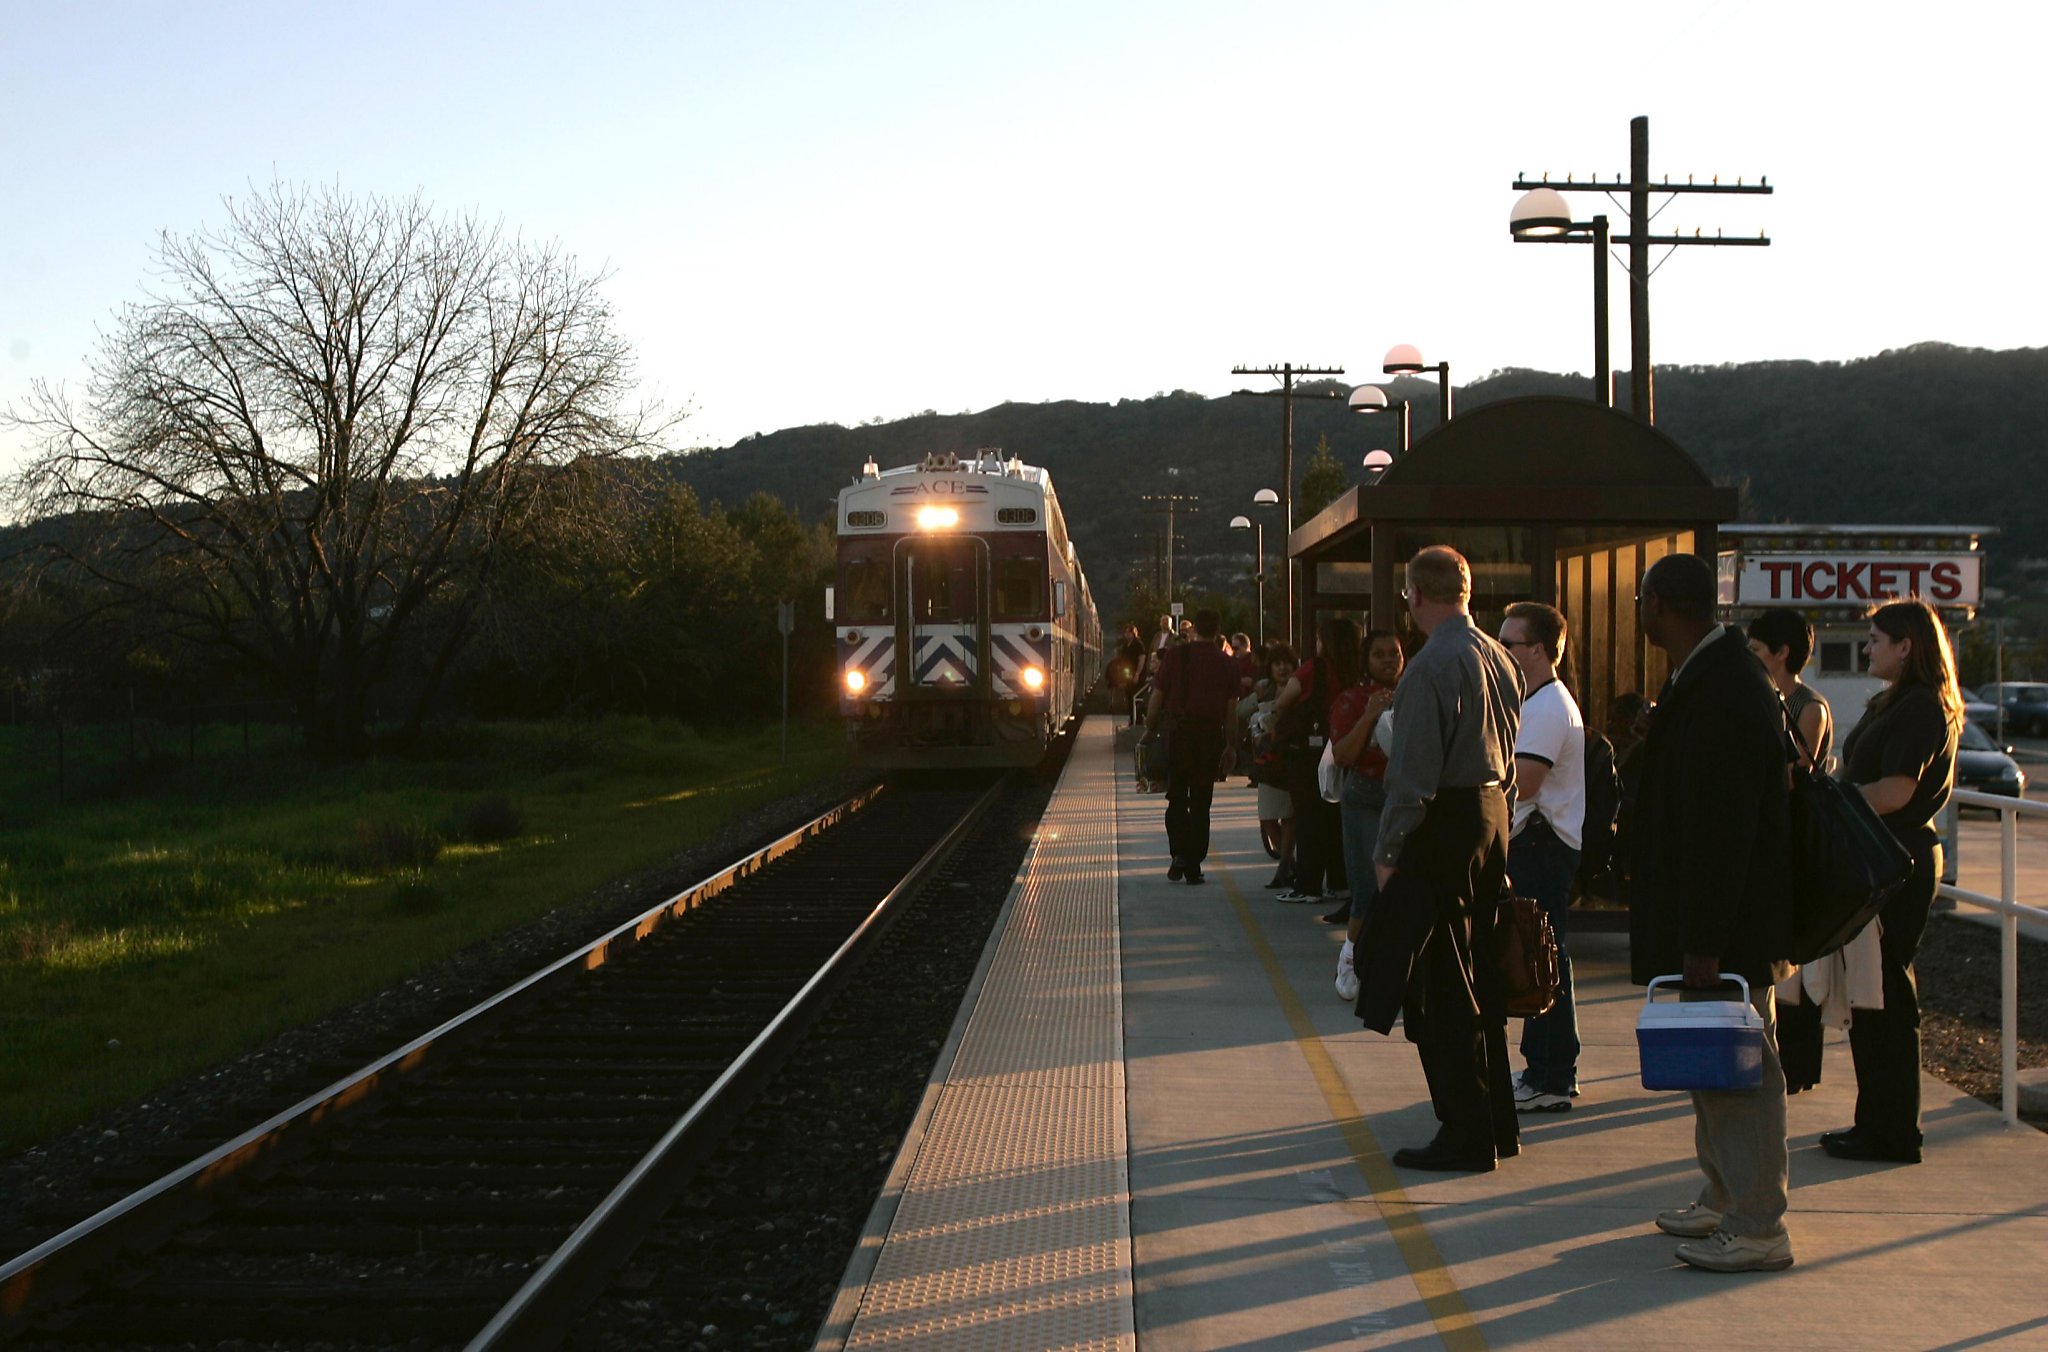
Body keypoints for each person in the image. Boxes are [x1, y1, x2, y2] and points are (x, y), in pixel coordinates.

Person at [1631, 552, 1796, 1273]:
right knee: (1710, 1059)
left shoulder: (1725, 686)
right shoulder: (1710, 674)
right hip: (1712, 919)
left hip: (1727, 925)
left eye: (1641, 598)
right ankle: (1726, 1194)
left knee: (1743, 1067)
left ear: (1659, 603)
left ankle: (1759, 1224)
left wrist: (1704, 940)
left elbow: (1722, 829)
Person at [1370, 546, 1523, 1172]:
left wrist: (1388, 851)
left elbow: (1412, 776)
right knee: (1482, 976)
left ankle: (1463, 1132)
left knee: (1439, 984)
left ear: (1414, 596)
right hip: (1492, 818)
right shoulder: (1499, 656)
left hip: (1443, 827)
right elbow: (1509, 751)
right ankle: (1498, 1122)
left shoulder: (1429, 668)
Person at [1820, 599, 1963, 1165]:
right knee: (1872, 995)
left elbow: (1897, 791)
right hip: (1881, 857)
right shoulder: (1897, 703)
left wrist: (1831, 801)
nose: (1868, 647)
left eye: (1877, 638)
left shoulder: (1921, 709)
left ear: (1907, 646)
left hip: (1896, 861)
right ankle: (1875, 1122)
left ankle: (1893, 1131)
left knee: (1887, 998)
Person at [1498, 602, 1588, 1114]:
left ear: (1537, 649)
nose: (1502, 648)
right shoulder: (1534, 701)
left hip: (1543, 847)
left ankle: (1551, 1075)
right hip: (1536, 846)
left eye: (1510, 642)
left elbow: (1524, 781)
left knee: (1540, 962)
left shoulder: (1550, 706)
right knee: (1546, 960)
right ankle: (1549, 1068)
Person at [1143, 608, 1241, 885]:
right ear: (1218, 629)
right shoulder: (1227, 663)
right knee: (1201, 801)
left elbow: (1156, 698)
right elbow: (1231, 713)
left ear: (1194, 628)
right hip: (1209, 737)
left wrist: (1150, 729)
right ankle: (1194, 863)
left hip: (1177, 734)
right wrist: (1230, 746)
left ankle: (1178, 854)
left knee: (1176, 797)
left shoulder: (1175, 656)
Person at [1332, 629, 1403, 998]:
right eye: (1380, 654)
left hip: (1406, 798)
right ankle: (1349, 959)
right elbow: (1343, 755)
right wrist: (1371, 715)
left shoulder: (1416, 694)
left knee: (1403, 886)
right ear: (1366, 660)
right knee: (1367, 885)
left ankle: (1394, 964)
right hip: (1365, 796)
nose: (1389, 660)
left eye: (1394, 653)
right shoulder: (1351, 700)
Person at [1269, 619, 1357, 907]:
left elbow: (1284, 701)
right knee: (1334, 817)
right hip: (1342, 746)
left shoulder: (1314, 668)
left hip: (1307, 753)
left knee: (1308, 817)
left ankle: (1308, 884)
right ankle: (1338, 881)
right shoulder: (1353, 669)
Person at [1748, 609, 1832, 772]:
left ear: (1781, 652)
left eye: (1755, 650)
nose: (1748, 656)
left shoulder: (1811, 708)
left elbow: (1795, 777)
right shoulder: (1758, 699)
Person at [1242, 645, 1298, 884]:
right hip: (1268, 761)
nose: (1282, 667)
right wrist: (1257, 696)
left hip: (1290, 757)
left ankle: (1285, 865)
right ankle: (1289, 864)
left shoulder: (1298, 687)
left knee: (1287, 815)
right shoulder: (1266, 689)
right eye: (1277, 663)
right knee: (1267, 816)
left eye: (1286, 662)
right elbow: (1240, 710)